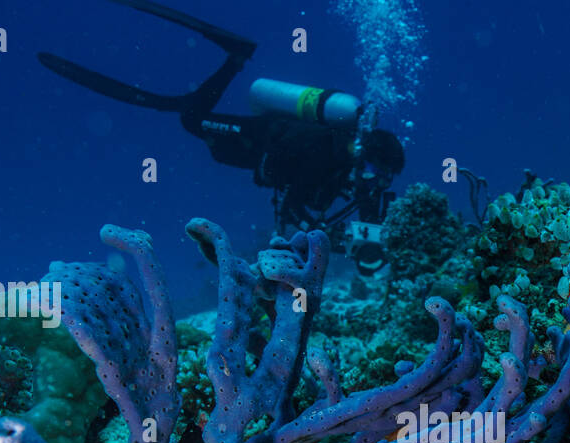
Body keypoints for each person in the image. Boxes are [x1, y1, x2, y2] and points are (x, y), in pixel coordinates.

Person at [39, 0, 404, 273]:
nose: (375, 179)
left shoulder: (357, 177)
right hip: (259, 139)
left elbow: (366, 229)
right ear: (362, 151)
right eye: (375, 168)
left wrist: (367, 247)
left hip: (258, 152)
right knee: (193, 122)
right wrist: (325, 239)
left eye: (383, 175)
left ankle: (231, 64)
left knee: (197, 127)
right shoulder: (327, 153)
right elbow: (293, 203)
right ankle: (235, 59)